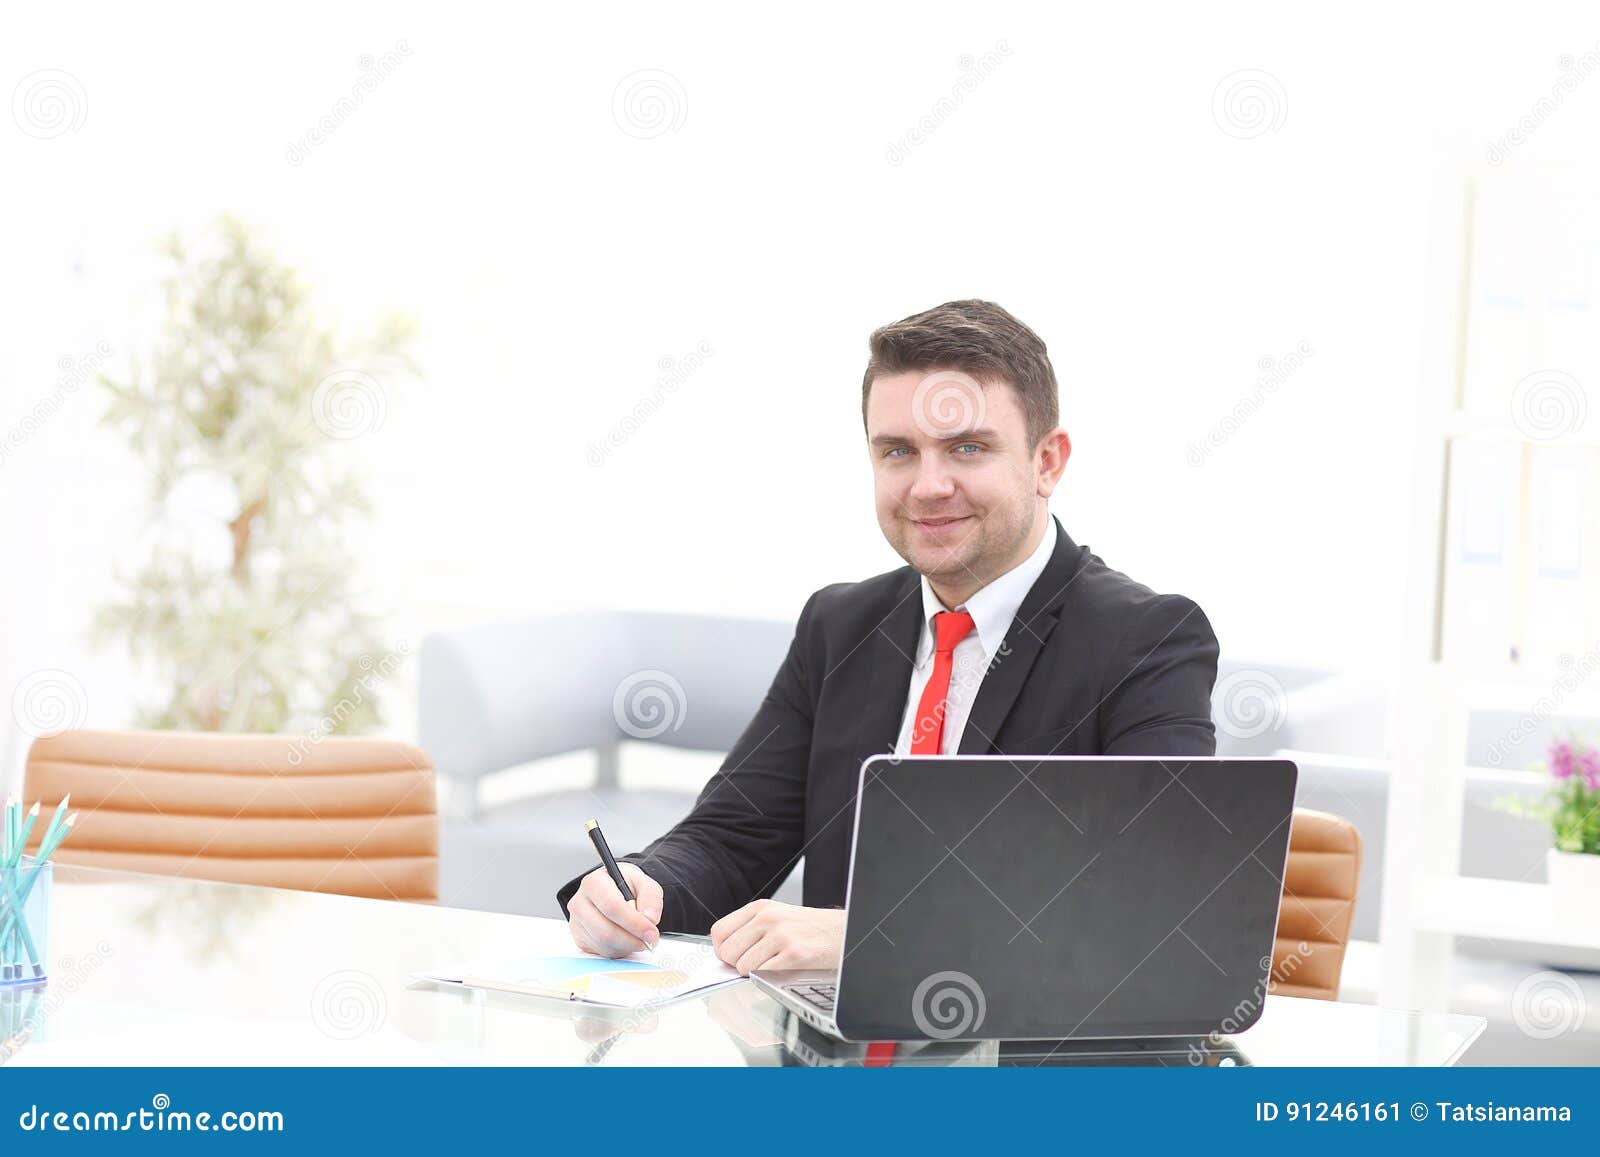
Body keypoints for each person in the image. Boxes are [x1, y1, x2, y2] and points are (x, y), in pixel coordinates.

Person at [557, 299, 1219, 975]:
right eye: (898, 451)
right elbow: (733, 836)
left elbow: (1153, 902)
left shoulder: (1147, 639)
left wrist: (865, 935)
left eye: (967, 447)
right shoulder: (839, 626)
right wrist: (640, 886)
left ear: (1047, 461)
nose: (929, 486)